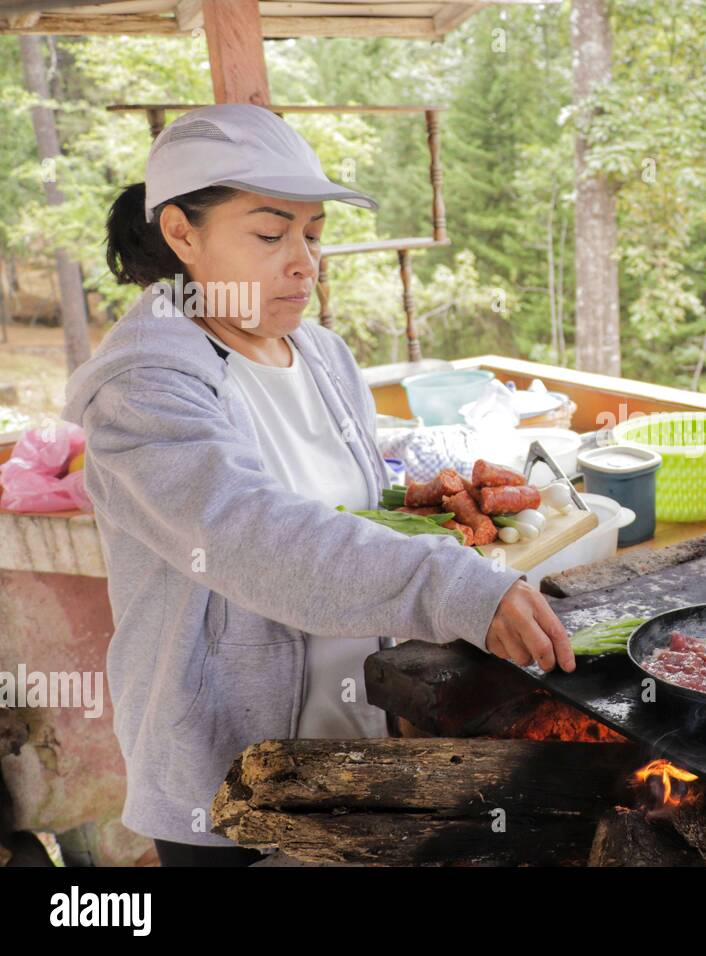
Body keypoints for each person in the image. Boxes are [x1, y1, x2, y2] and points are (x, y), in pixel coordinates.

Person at [60, 104, 574, 867]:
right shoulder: (143, 388)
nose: (305, 261)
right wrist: (452, 586)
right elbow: (247, 532)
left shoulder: (323, 356)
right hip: (227, 776)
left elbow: (347, 497)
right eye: (270, 235)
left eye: (313, 233)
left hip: (351, 737)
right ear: (180, 234)